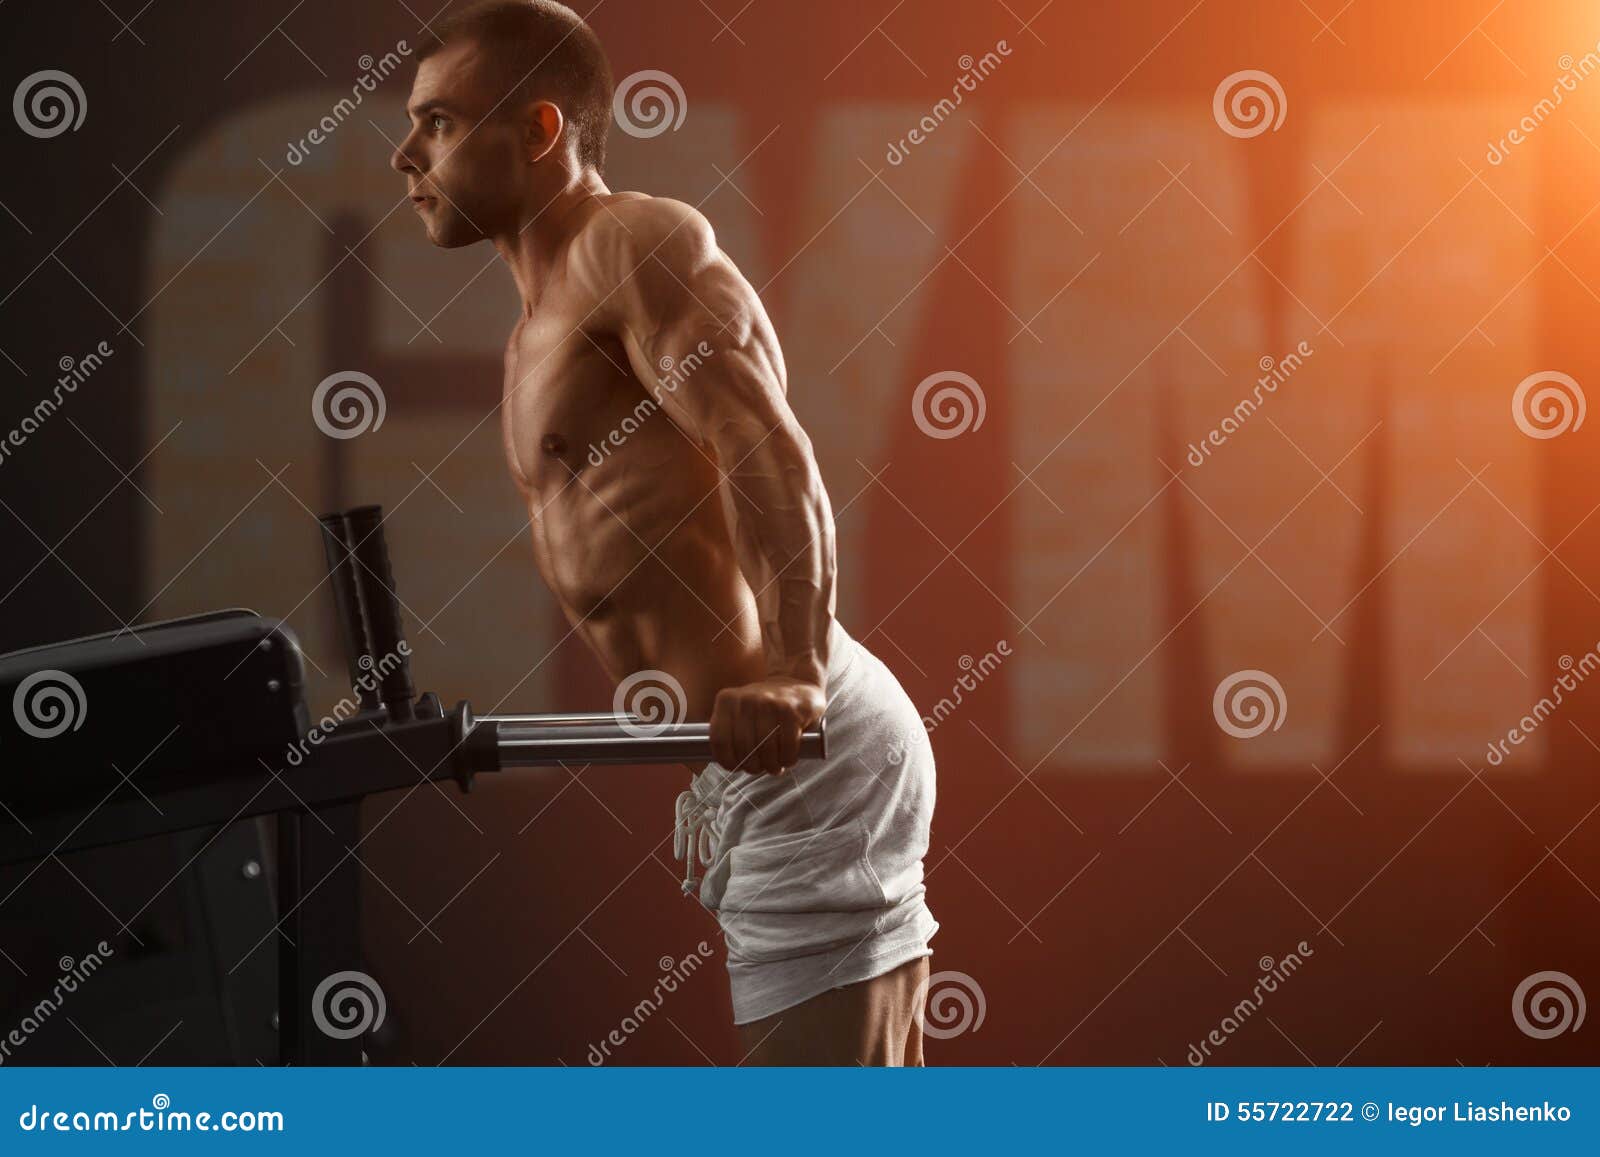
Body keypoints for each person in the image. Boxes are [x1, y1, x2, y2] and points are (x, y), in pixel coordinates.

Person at [391, 0, 937, 1065]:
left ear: (541, 132)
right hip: (749, 760)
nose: (407, 152)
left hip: (807, 743)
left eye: (443, 121)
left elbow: (763, 445)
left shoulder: (628, 246)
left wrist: (789, 669)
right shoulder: (538, 315)